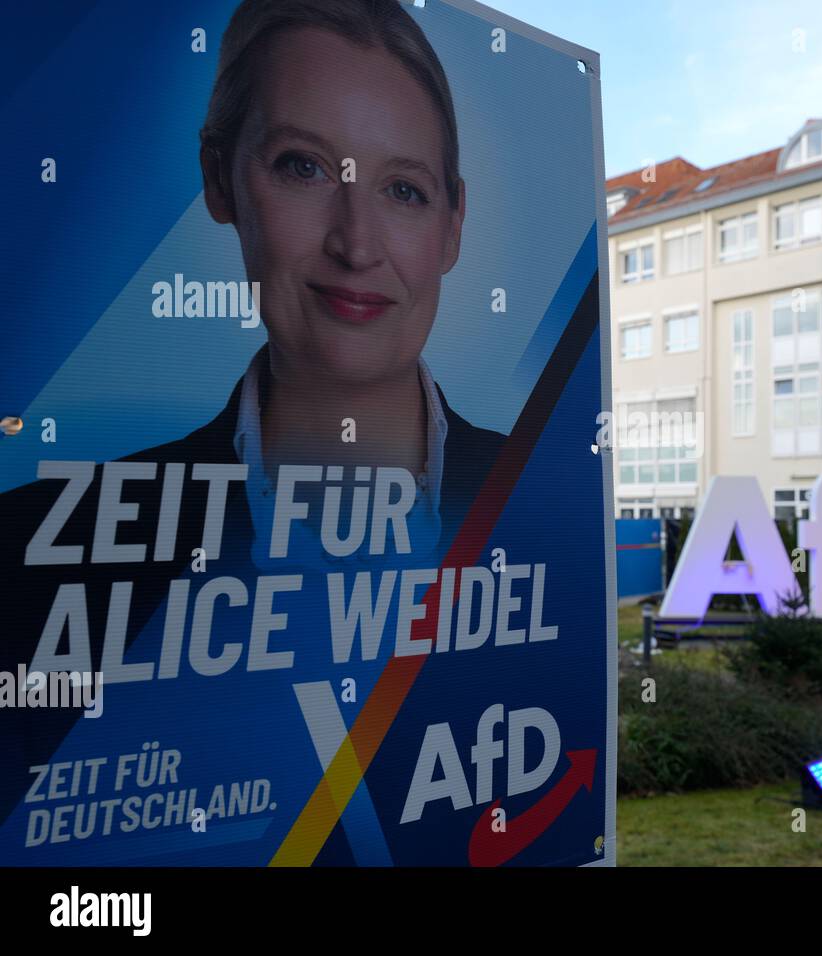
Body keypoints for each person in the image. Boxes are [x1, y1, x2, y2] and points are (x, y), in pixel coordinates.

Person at [0, 0, 503, 822]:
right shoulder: (34, 554)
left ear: (452, 226)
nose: (357, 243)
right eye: (303, 167)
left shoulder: (540, 504)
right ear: (220, 177)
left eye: (403, 190)